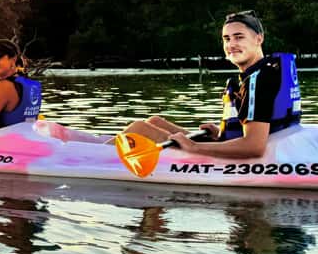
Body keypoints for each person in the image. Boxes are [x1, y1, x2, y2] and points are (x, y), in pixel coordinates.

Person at [122, 10, 301, 159]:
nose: (231, 44)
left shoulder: (258, 79)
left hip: (245, 157)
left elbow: (254, 146)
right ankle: (99, 149)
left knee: (137, 128)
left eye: (239, 37)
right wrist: (221, 134)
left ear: (258, 39)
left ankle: (98, 159)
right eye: (227, 39)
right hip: (243, 144)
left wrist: (193, 147)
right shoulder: (268, 71)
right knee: (154, 121)